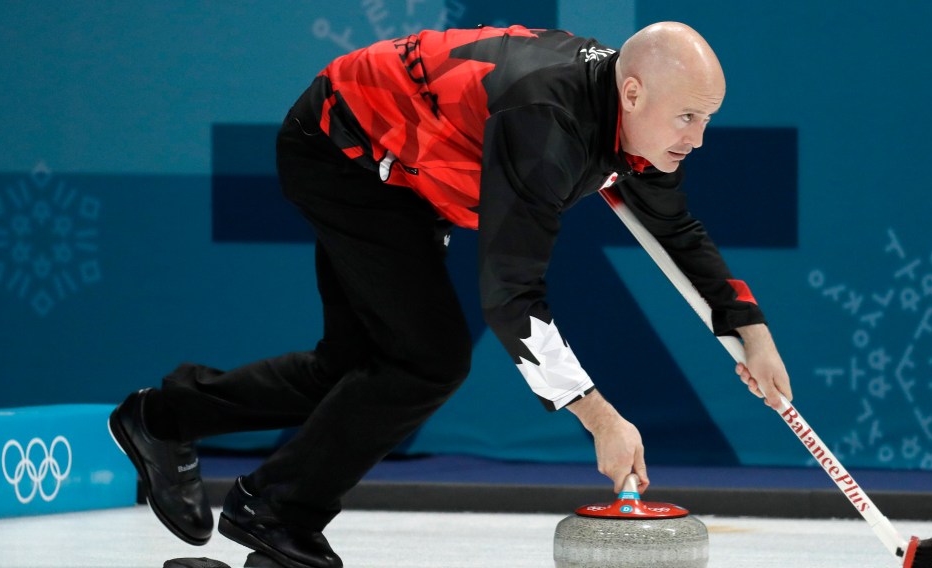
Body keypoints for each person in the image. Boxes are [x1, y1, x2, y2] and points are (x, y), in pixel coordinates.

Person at [108, 22, 792, 568]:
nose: (698, 140)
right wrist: (598, 416)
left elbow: (676, 228)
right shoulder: (547, 123)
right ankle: (278, 510)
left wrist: (752, 333)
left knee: (356, 369)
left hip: (402, 175)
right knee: (427, 357)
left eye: (707, 121)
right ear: (635, 93)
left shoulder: (629, 117)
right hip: (342, 151)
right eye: (690, 119)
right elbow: (510, 295)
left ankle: (164, 418)